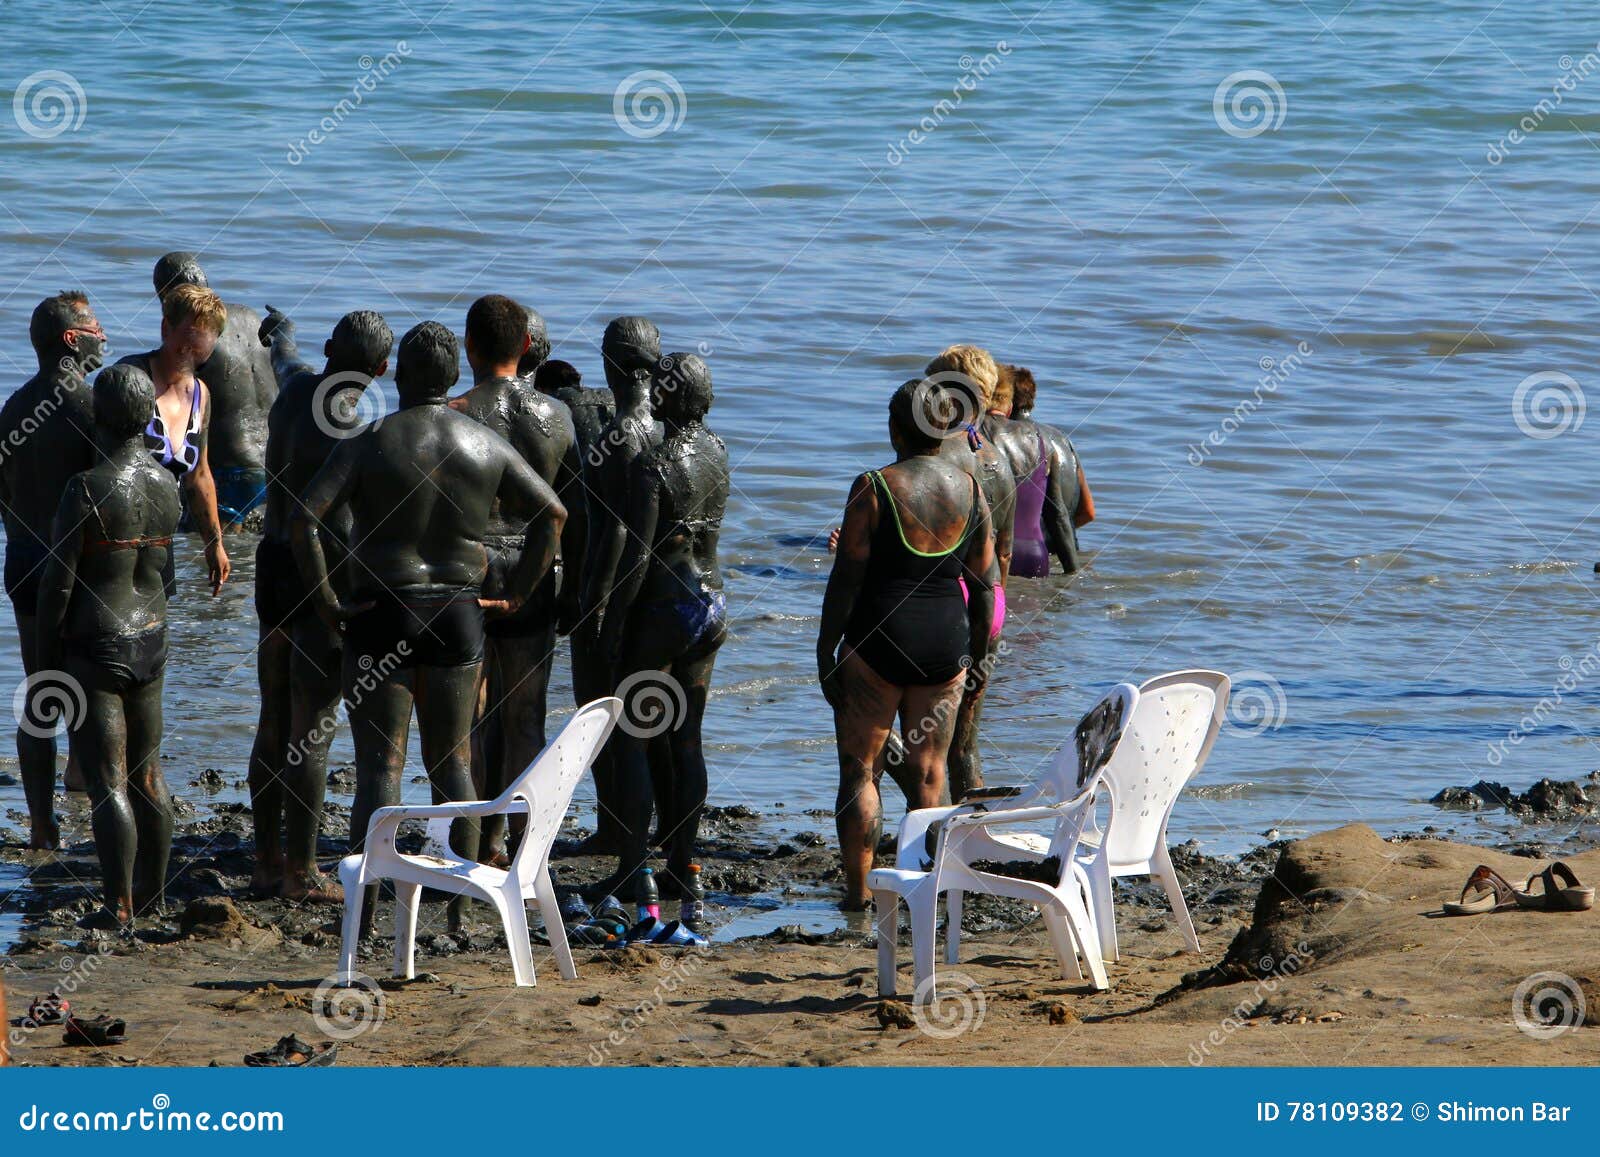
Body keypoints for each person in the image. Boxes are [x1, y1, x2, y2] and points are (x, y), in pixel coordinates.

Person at [293, 321, 565, 933]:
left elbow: (305, 520)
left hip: (380, 613)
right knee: (454, 765)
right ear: (452, 376)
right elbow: (554, 513)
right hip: (457, 616)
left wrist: (328, 603)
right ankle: (461, 911)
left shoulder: (369, 440)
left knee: (380, 771)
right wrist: (517, 595)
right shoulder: (483, 443)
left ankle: (363, 918)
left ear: (399, 374)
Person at [818, 379, 994, 911]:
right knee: (929, 775)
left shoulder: (874, 486)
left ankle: (857, 896)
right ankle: (923, 891)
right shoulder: (971, 489)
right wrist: (980, 657)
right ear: (942, 429)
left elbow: (847, 579)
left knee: (861, 770)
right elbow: (986, 584)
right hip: (945, 642)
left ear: (895, 429)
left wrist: (826, 648)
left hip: (878, 641)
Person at [247, 306, 393, 901]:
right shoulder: (355, 434)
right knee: (311, 730)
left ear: (330, 349)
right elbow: (340, 527)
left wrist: (281, 333)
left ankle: (266, 862)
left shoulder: (292, 391)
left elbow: (282, 359)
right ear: (381, 370)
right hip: (319, 580)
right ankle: (302, 874)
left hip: (273, 565)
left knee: (272, 719)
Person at [35, 365, 182, 930]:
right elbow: (168, 577)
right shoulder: (167, 484)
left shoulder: (85, 488)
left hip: (98, 644)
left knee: (108, 781)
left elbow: (58, 583)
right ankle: (153, 897)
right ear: (148, 418)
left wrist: (47, 654)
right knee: (149, 775)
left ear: (97, 415)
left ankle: (117, 906)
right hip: (152, 636)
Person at [449, 295, 586, 867]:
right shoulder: (557, 417)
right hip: (534, 571)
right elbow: (575, 510)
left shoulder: (455, 413)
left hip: (473, 574)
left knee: (471, 717)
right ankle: (522, 846)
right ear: (527, 346)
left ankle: (476, 841)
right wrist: (574, 591)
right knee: (526, 716)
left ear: (468, 346)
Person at [598, 352, 728, 896]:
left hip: (665, 609)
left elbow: (637, 558)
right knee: (687, 740)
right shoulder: (718, 452)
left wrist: (611, 624)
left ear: (665, 398)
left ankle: (633, 870)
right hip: (713, 604)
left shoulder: (654, 464)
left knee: (632, 736)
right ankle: (683, 866)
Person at [0, 292, 106, 849]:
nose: (103, 337)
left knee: (41, 692)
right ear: (72, 340)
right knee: (93, 692)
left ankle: (42, 825)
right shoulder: (91, 407)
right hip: (79, 570)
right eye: (94, 328)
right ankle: (88, 787)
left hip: (23, 563)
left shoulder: (13, 408)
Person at [573, 317, 661, 860]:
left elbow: (616, 531)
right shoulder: (669, 425)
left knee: (602, 712)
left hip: (618, 586)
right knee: (653, 719)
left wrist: (595, 605)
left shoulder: (621, 434)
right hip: (660, 592)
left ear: (615, 365)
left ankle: (615, 828)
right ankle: (655, 827)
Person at [925, 345, 1011, 803]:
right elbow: (1004, 554)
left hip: (946, 602)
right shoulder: (998, 459)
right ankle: (972, 827)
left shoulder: (940, 454)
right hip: (991, 604)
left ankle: (930, 828)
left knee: (924, 741)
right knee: (964, 739)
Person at [149, 253, 278, 528]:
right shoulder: (250, 316)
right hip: (274, 466)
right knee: (250, 552)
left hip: (230, 475)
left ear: (165, 297)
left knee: (209, 550)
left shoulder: (191, 336)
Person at [118, 283, 231, 596]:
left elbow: (199, 475)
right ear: (165, 327)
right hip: (116, 541)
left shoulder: (201, 395)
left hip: (161, 541)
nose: (187, 356)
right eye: (183, 344)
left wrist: (214, 544)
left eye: (198, 349)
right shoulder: (131, 378)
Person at [1008, 365, 1094, 571]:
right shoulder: (1063, 440)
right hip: (1067, 556)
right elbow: (1088, 512)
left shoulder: (1010, 443)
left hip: (1030, 559)